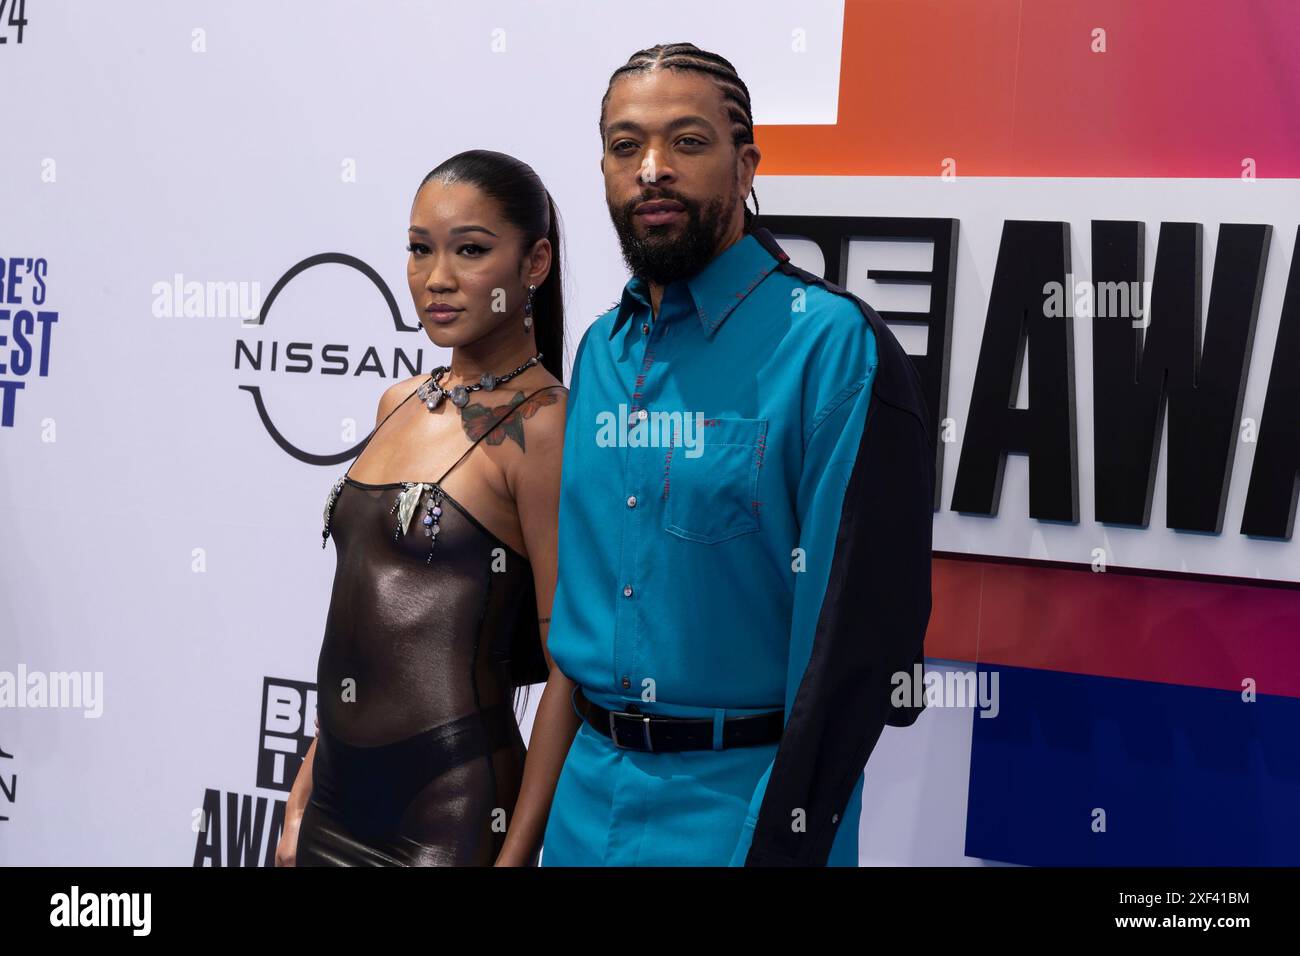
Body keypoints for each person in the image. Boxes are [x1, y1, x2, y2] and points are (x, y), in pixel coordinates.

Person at [538, 43, 934, 867]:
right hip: (584, 809)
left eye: (687, 142)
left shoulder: (831, 346)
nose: (652, 169)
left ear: (745, 163)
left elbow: (855, 646)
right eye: (624, 146)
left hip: (743, 814)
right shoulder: (598, 354)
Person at [275, 149, 581, 866]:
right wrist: (298, 800)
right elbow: (363, 630)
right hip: (331, 803)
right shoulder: (398, 401)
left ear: (533, 265)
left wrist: (516, 856)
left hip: (450, 817)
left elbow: (570, 666)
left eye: (469, 250)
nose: (435, 279)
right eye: (419, 250)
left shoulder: (543, 426)